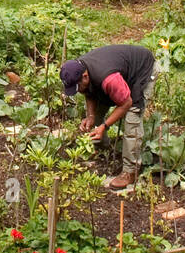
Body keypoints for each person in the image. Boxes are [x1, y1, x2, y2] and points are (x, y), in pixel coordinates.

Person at [60, 44, 157, 191]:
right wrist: (91, 116)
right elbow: (88, 92)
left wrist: (105, 126)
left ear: (85, 76)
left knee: (132, 118)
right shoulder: (80, 69)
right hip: (119, 73)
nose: (78, 91)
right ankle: (103, 150)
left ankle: (130, 171)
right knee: (97, 115)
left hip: (141, 70)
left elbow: (126, 103)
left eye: (77, 87)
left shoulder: (108, 78)